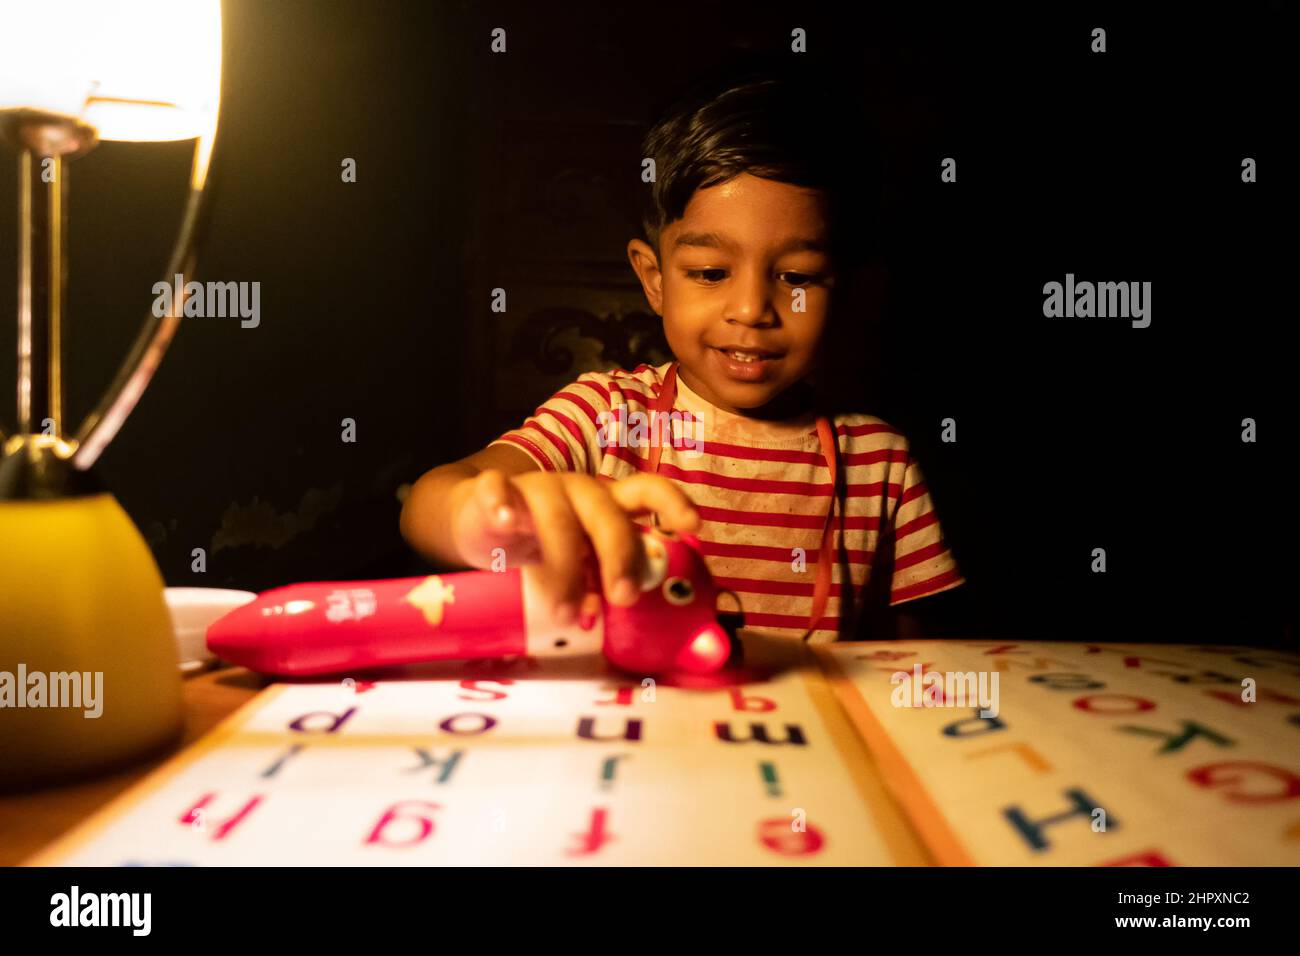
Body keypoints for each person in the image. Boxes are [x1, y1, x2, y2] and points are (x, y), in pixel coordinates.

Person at [401, 61, 964, 643]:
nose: (751, 309)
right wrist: (477, 516)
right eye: (710, 271)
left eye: (797, 275)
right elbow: (428, 501)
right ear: (655, 278)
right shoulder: (608, 417)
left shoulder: (880, 465)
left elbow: (914, 666)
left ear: (842, 288)